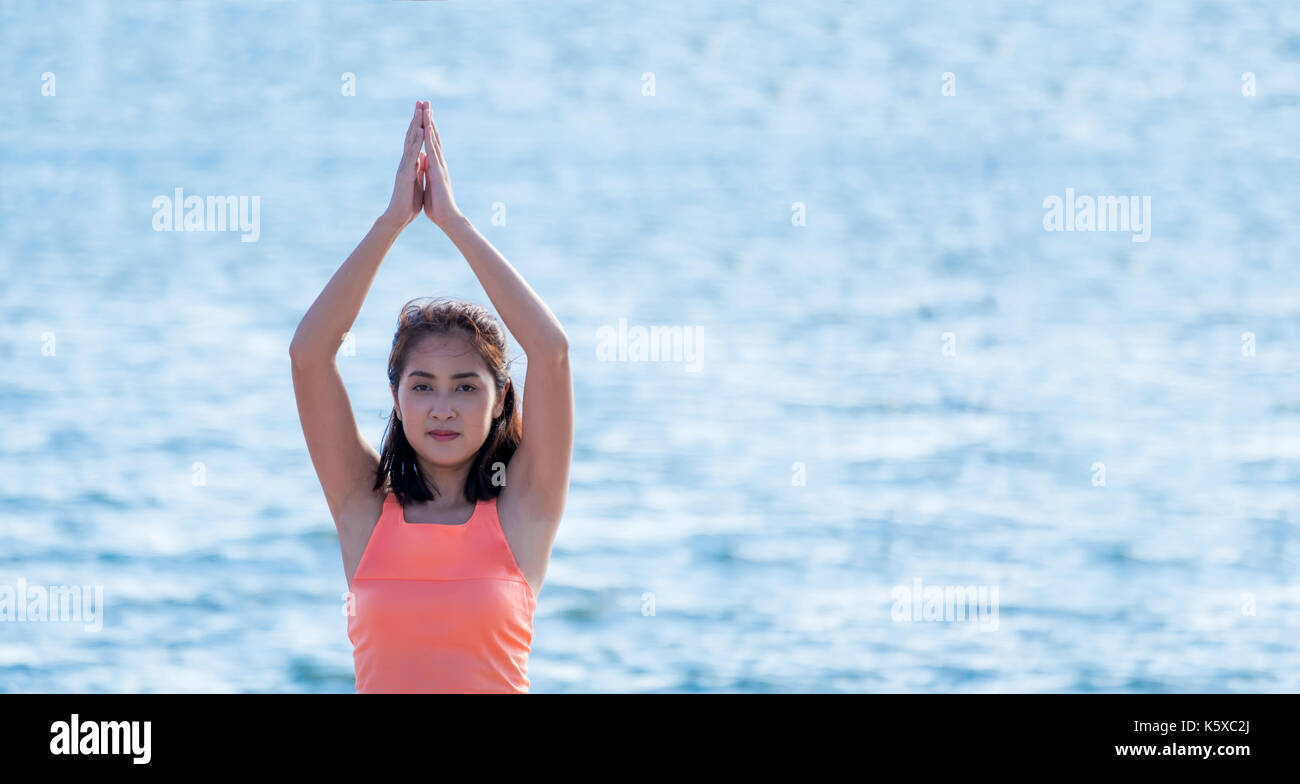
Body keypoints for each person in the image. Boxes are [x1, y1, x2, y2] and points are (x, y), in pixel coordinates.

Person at [289, 100, 573, 693]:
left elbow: (550, 351)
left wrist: (453, 222)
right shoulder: (362, 509)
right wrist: (393, 220)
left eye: (467, 387)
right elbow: (309, 355)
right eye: (423, 387)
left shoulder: (523, 511)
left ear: (500, 401)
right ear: (396, 398)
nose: (443, 406)